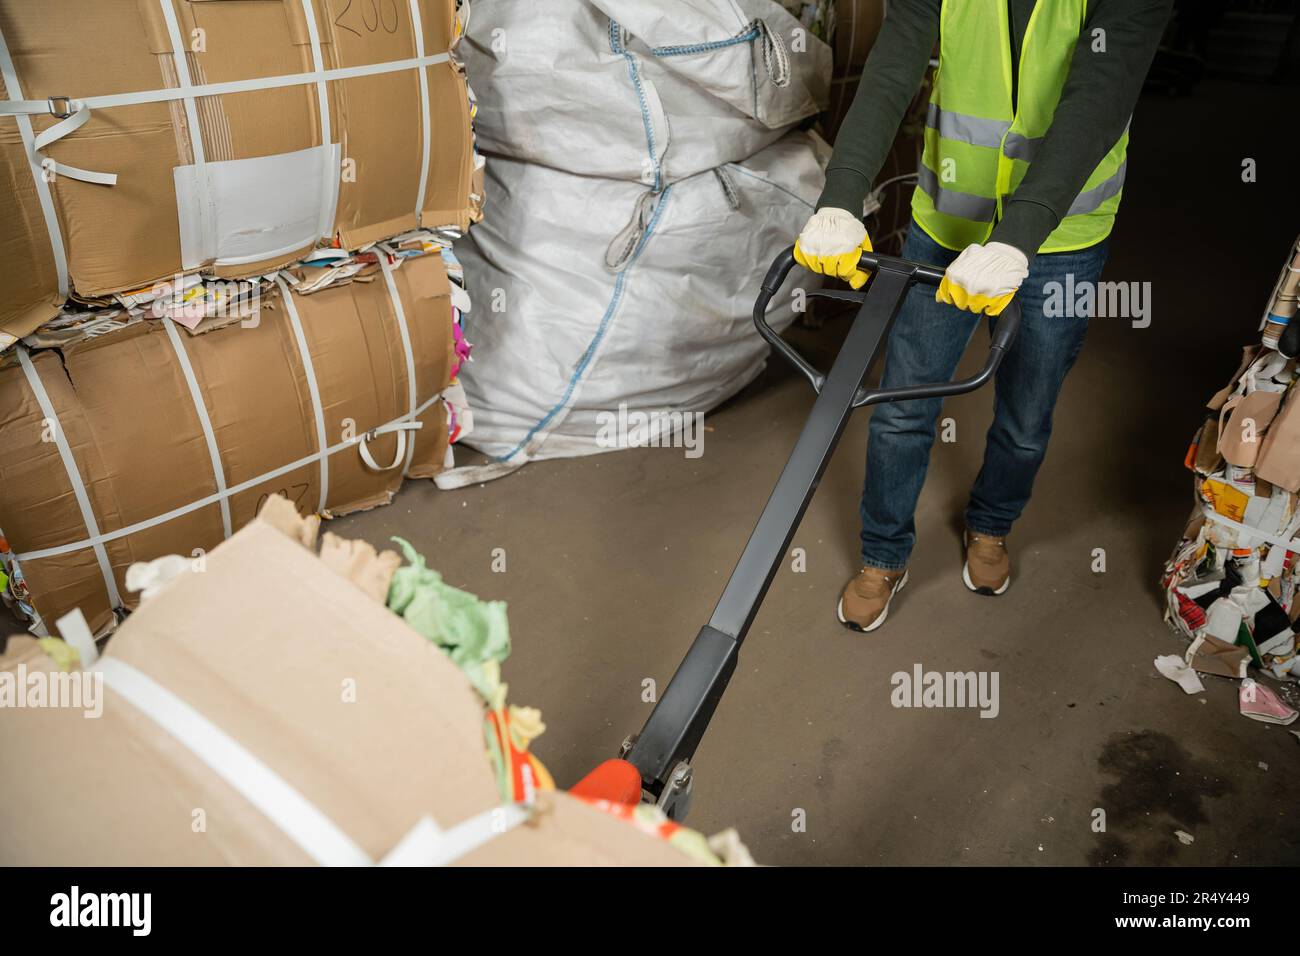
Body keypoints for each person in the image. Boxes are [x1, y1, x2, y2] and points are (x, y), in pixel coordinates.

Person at [794, 0, 1171, 632]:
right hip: (947, 220)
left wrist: (1018, 237)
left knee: (1027, 409)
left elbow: (1097, 100)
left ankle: (991, 524)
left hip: (1061, 242)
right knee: (904, 402)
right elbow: (894, 67)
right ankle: (884, 553)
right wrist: (840, 196)